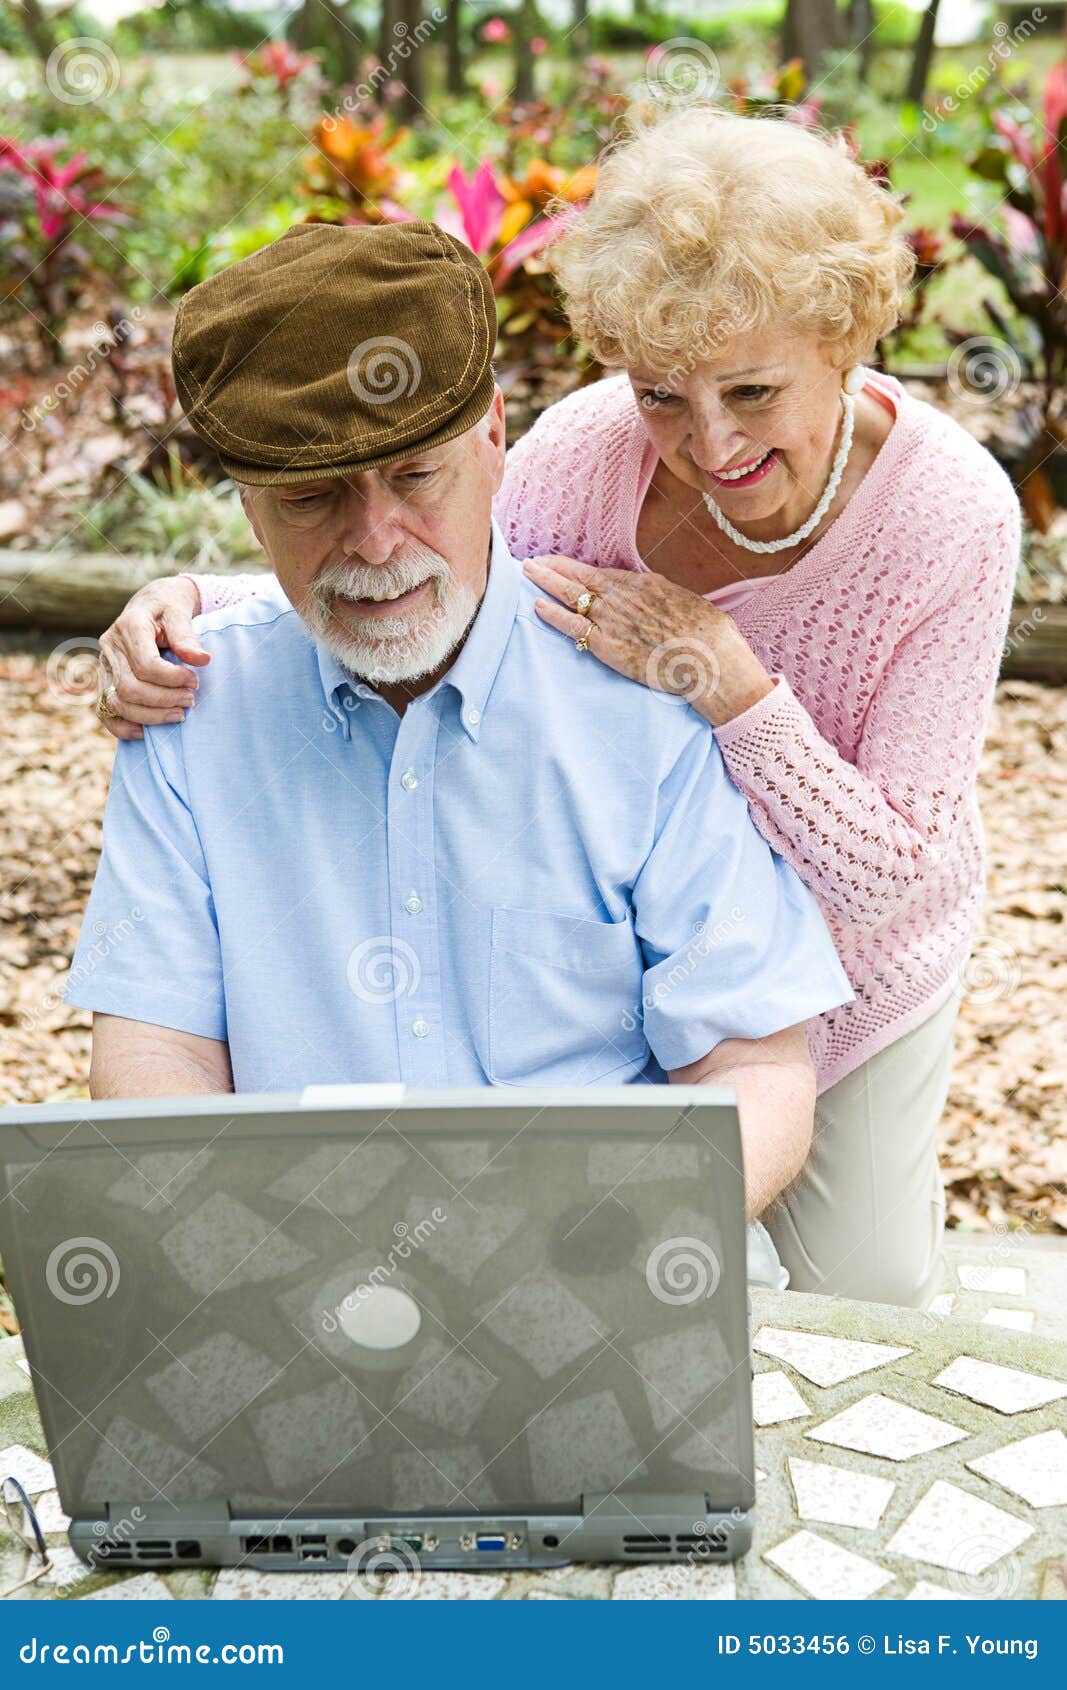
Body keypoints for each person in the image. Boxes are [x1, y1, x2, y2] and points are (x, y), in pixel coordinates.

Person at [93, 110, 1021, 1309]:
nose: (709, 442)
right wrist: (191, 605)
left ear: (841, 343)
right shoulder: (583, 455)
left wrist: (732, 690)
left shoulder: (951, 518)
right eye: (661, 395)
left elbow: (896, 867)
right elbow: (424, 576)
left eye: (750, 390)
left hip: (863, 928)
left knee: (865, 1288)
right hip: (686, 918)